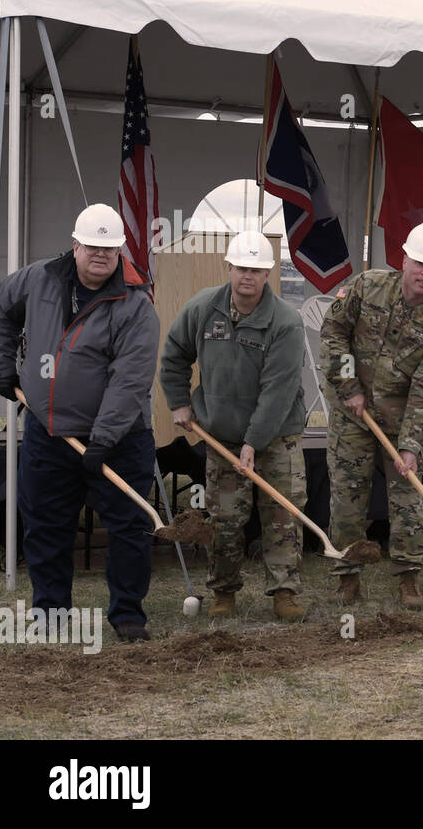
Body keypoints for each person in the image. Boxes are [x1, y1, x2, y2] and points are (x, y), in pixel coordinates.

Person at [0, 203, 159, 641]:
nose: (101, 256)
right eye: (92, 247)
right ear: (75, 246)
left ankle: (127, 614)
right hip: (47, 431)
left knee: (128, 527)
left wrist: (103, 441)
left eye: (110, 248)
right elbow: (2, 311)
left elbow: (130, 380)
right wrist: (4, 366)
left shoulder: (136, 303)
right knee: (46, 523)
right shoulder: (38, 279)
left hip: (119, 440)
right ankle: (50, 612)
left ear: (120, 250)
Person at [159, 230, 308, 621]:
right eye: (242, 267)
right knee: (224, 518)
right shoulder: (202, 309)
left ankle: (285, 592)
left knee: (281, 514)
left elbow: (278, 390)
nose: (248, 276)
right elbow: (173, 355)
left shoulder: (286, 322)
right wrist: (179, 402)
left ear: (268, 274)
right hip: (221, 435)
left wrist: (254, 443)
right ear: (229, 268)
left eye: (257, 270)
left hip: (277, 437)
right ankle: (224, 592)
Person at [319, 222, 423, 608]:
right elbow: (333, 332)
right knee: (347, 495)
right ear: (404, 260)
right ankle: (347, 577)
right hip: (352, 413)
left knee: (408, 496)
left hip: (400, 420)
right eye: (420, 263)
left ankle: (409, 578)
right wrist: (349, 388)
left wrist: (411, 445)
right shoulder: (368, 286)